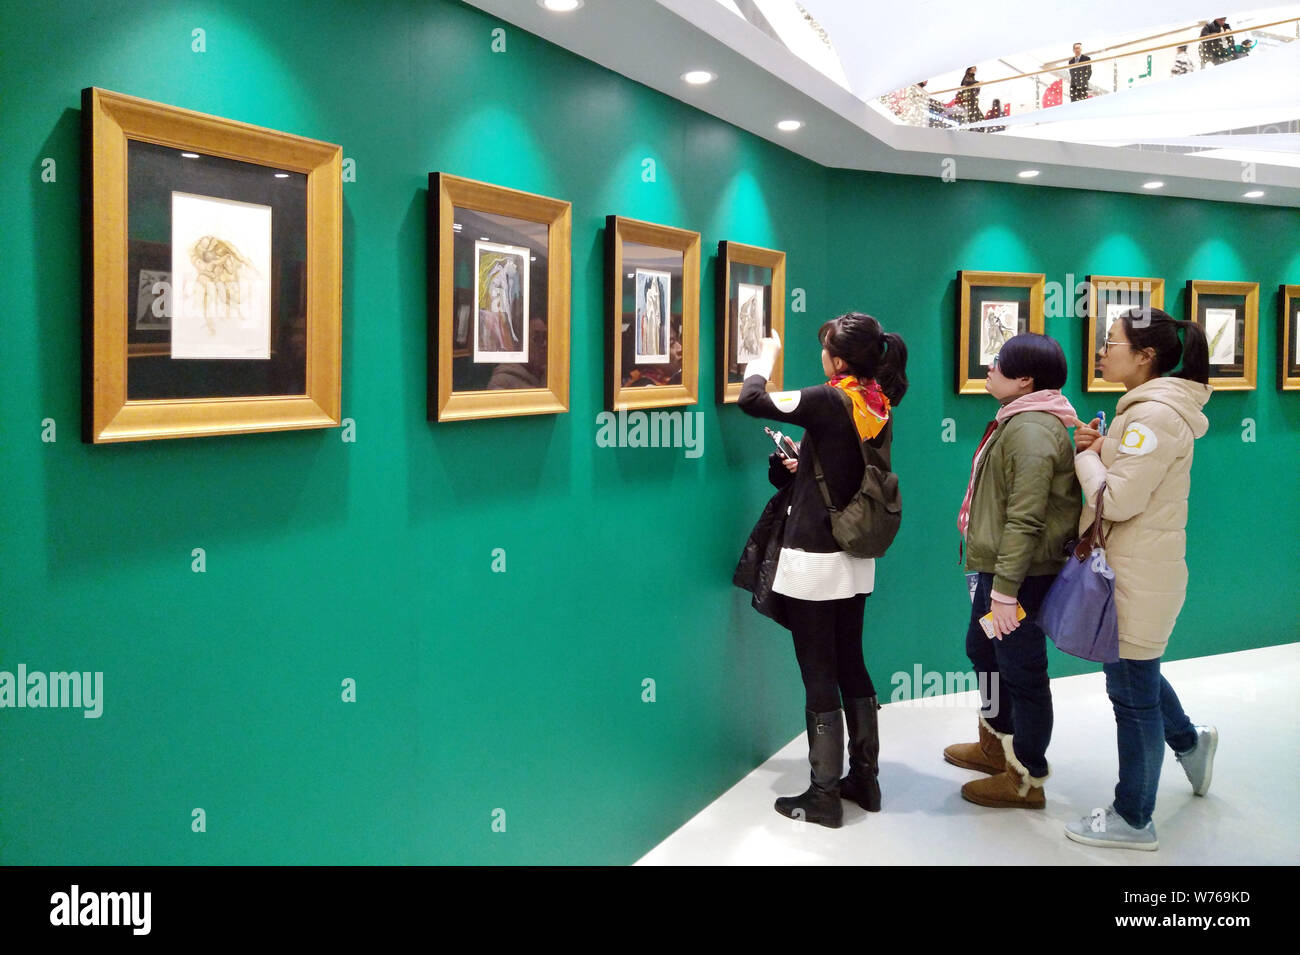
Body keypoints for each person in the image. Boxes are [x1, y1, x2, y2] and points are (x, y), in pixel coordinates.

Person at [737, 313, 908, 829]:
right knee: (850, 660)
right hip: (855, 556)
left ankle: (823, 795)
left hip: (815, 554)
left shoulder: (832, 398)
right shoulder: (875, 398)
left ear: (836, 356)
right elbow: (842, 462)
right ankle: (865, 779)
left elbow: (752, 402)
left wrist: (762, 361)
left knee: (818, 670)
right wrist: (802, 462)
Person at [1063, 308, 1218, 851]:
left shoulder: (1152, 416)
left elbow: (1119, 498)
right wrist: (1105, 447)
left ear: (1145, 355)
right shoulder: (1149, 412)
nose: (1102, 352)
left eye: (1111, 343)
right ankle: (1188, 743)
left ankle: (1134, 817)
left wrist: (1087, 456)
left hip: (1133, 574)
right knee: (1138, 676)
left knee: (1131, 694)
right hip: (1138, 569)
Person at [945, 334, 1081, 810]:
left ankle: (1026, 777)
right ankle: (995, 746)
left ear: (1025, 380)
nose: (989, 370)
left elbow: (1026, 518)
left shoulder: (1030, 431)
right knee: (982, 650)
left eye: (998, 365)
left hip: (1017, 577)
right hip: (999, 572)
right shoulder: (1018, 420)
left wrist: (1004, 592)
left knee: (1022, 671)